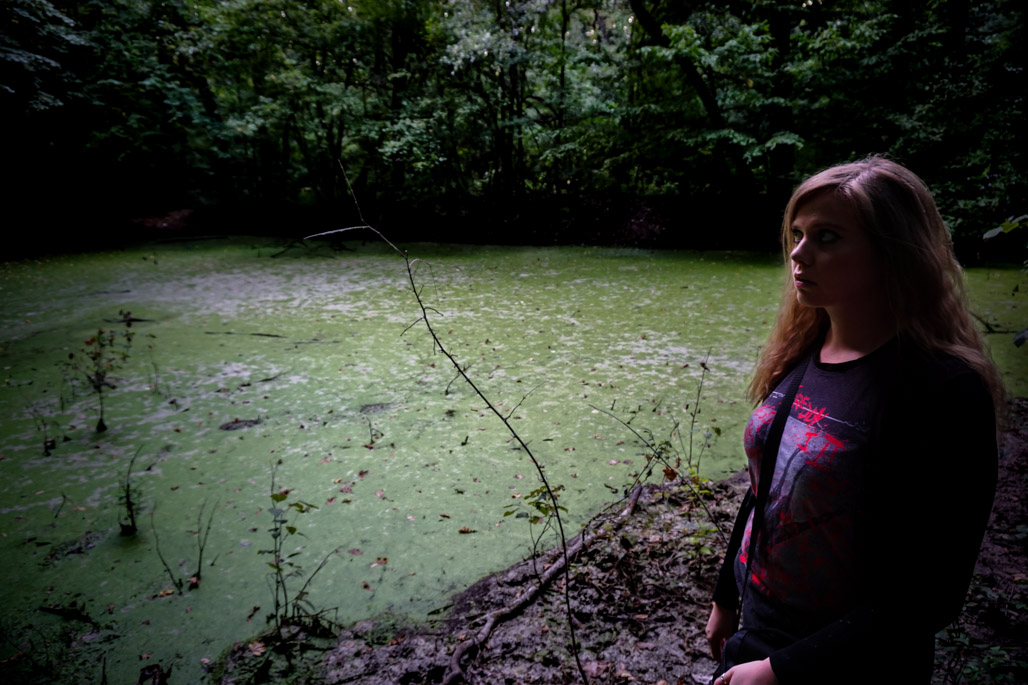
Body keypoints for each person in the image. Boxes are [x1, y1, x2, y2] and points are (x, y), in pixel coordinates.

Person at [704, 156, 1002, 685]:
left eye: (827, 237)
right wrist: (726, 596)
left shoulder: (943, 389)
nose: (798, 253)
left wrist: (781, 670)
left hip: (851, 665)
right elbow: (766, 488)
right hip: (758, 634)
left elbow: (932, 593)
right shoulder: (803, 353)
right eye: (797, 234)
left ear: (894, 252)